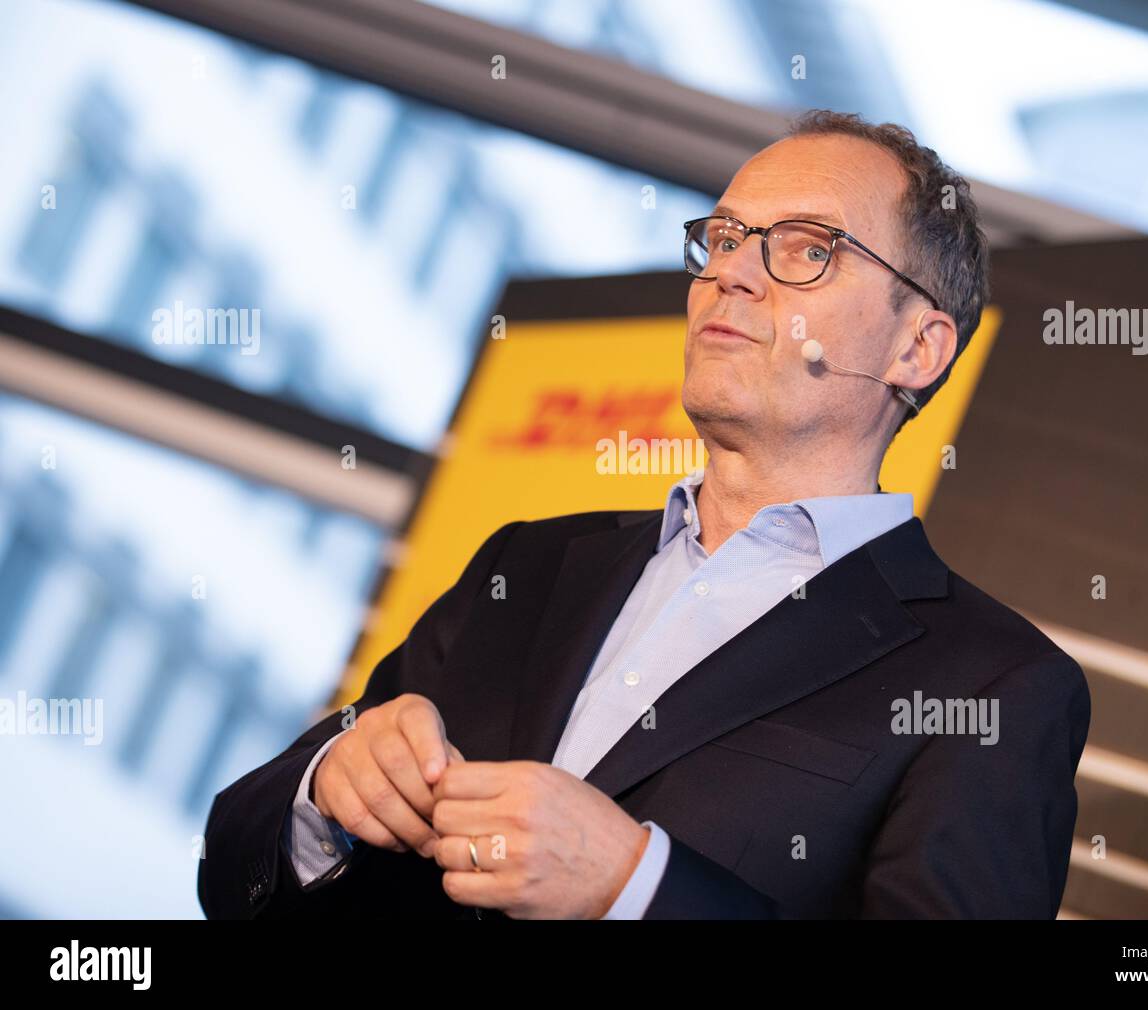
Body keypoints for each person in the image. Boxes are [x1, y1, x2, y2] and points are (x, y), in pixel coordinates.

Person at [198, 109, 1089, 920]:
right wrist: (326, 792)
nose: (731, 274)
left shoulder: (993, 685)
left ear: (917, 347)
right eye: (725, 238)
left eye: (807, 248)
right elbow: (231, 861)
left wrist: (636, 888)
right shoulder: (534, 563)